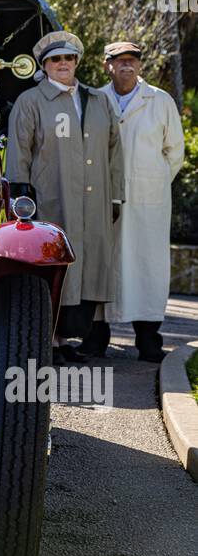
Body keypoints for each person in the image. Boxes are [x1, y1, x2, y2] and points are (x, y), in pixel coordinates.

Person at [6, 30, 124, 364]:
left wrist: (116, 196)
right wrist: (20, 189)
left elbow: (115, 150)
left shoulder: (98, 100)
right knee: (56, 266)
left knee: (89, 267)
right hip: (52, 197)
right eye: (56, 59)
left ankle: (74, 337)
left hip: (95, 200)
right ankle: (51, 341)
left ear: (76, 62)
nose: (63, 64)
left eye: (69, 58)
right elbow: (20, 148)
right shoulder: (32, 101)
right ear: (45, 65)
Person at [82, 41, 185, 362]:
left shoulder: (160, 100)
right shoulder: (95, 100)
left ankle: (149, 339)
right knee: (102, 262)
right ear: (106, 65)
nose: (127, 65)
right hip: (103, 197)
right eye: (120, 60)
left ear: (140, 65)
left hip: (148, 200)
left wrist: (152, 182)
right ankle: (95, 338)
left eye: (133, 60)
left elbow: (174, 151)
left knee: (146, 265)